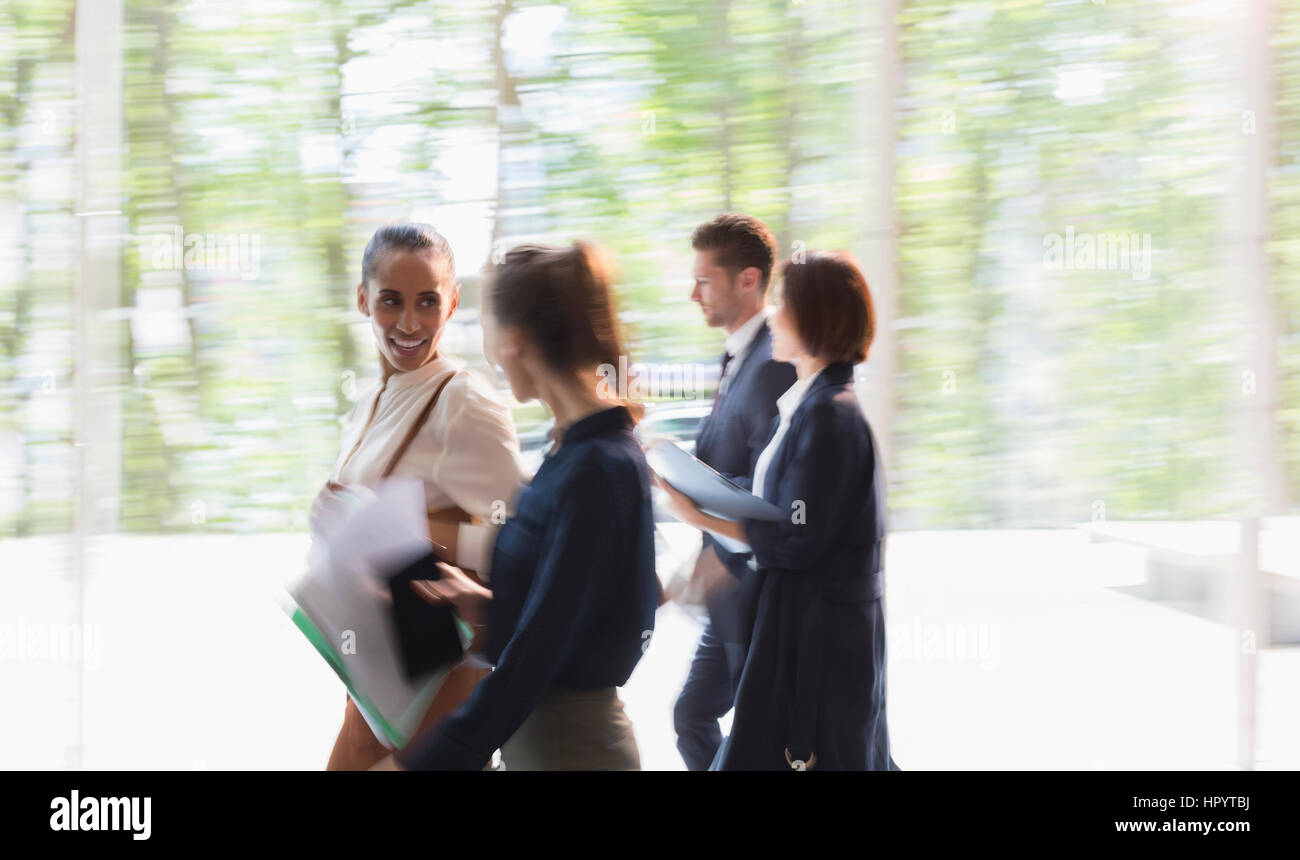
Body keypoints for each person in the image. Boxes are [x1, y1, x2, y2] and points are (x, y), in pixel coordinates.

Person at [375, 241, 660, 771]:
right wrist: (485, 605)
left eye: (486, 331)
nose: (487, 352)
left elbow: (537, 656)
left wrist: (416, 766)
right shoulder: (570, 452)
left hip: (572, 750)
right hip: (543, 744)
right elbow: (563, 610)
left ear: (515, 340)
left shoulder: (596, 467)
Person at [657, 250, 900, 771]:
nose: (774, 316)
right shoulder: (812, 406)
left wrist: (699, 515)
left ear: (813, 318)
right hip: (802, 627)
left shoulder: (829, 417)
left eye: (785, 305)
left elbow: (796, 536)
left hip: (815, 639)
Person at [312, 222, 526, 770]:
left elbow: (522, 543)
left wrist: (415, 534)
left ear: (453, 303)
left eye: (428, 302)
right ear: (363, 299)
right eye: (391, 301)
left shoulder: (464, 401)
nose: (409, 323)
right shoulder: (368, 403)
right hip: (377, 672)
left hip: (435, 679)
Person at [673, 213, 795, 771]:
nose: (691, 292)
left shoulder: (774, 363)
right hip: (727, 582)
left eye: (704, 280)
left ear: (747, 280)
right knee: (693, 714)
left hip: (755, 587)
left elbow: (773, 485)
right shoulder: (737, 358)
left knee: (758, 736)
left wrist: (701, 511)